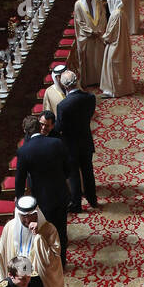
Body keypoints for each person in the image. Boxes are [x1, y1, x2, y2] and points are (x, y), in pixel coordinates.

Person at [14, 114, 71, 266]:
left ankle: (48, 263)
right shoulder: (56, 143)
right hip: (60, 194)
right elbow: (68, 168)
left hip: (41, 198)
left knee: (44, 231)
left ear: (26, 132)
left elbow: (19, 180)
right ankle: (62, 262)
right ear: (40, 127)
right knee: (61, 231)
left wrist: (19, 199)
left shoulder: (24, 151)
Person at [55, 70, 99, 211]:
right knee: (88, 172)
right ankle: (93, 200)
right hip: (86, 140)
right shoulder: (90, 98)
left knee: (73, 175)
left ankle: (76, 204)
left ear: (64, 86)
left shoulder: (63, 105)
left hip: (70, 145)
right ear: (76, 81)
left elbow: (59, 126)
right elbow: (90, 115)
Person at [73, 0, 108, 87]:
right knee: (88, 61)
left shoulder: (98, 1)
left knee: (99, 59)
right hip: (87, 38)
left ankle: (100, 79)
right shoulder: (78, 5)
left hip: (98, 36)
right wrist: (91, 32)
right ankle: (88, 82)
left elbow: (103, 17)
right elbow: (80, 22)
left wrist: (99, 31)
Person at [100, 0, 134, 99]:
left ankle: (113, 91)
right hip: (122, 43)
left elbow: (110, 34)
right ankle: (123, 88)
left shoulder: (115, 15)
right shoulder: (121, 12)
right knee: (121, 67)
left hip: (115, 46)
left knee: (112, 66)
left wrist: (102, 37)